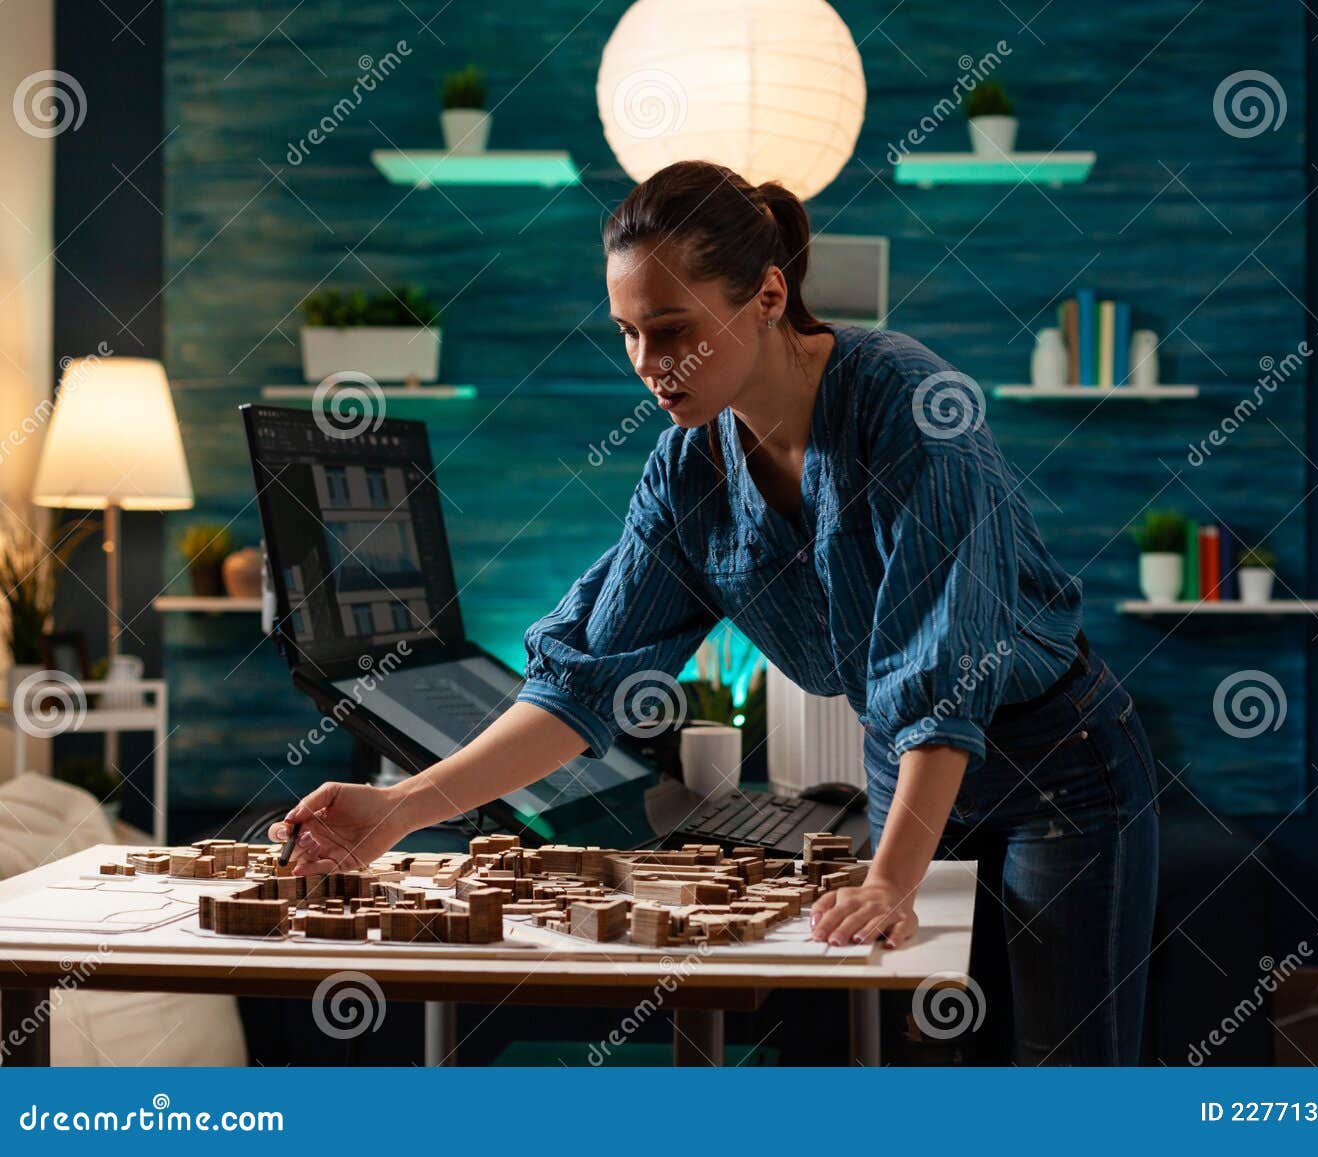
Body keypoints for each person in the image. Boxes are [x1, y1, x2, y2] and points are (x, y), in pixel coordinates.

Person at [270, 159, 1160, 1065]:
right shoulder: (688, 467)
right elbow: (579, 687)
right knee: (927, 1072)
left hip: (1058, 772)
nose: (650, 367)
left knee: (1068, 1072)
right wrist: (398, 808)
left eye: (672, 330)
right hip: (911, 774)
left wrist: (891, 878)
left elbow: (941, 674)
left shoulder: (910, 406)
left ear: (768, 294)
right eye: (627, 334)